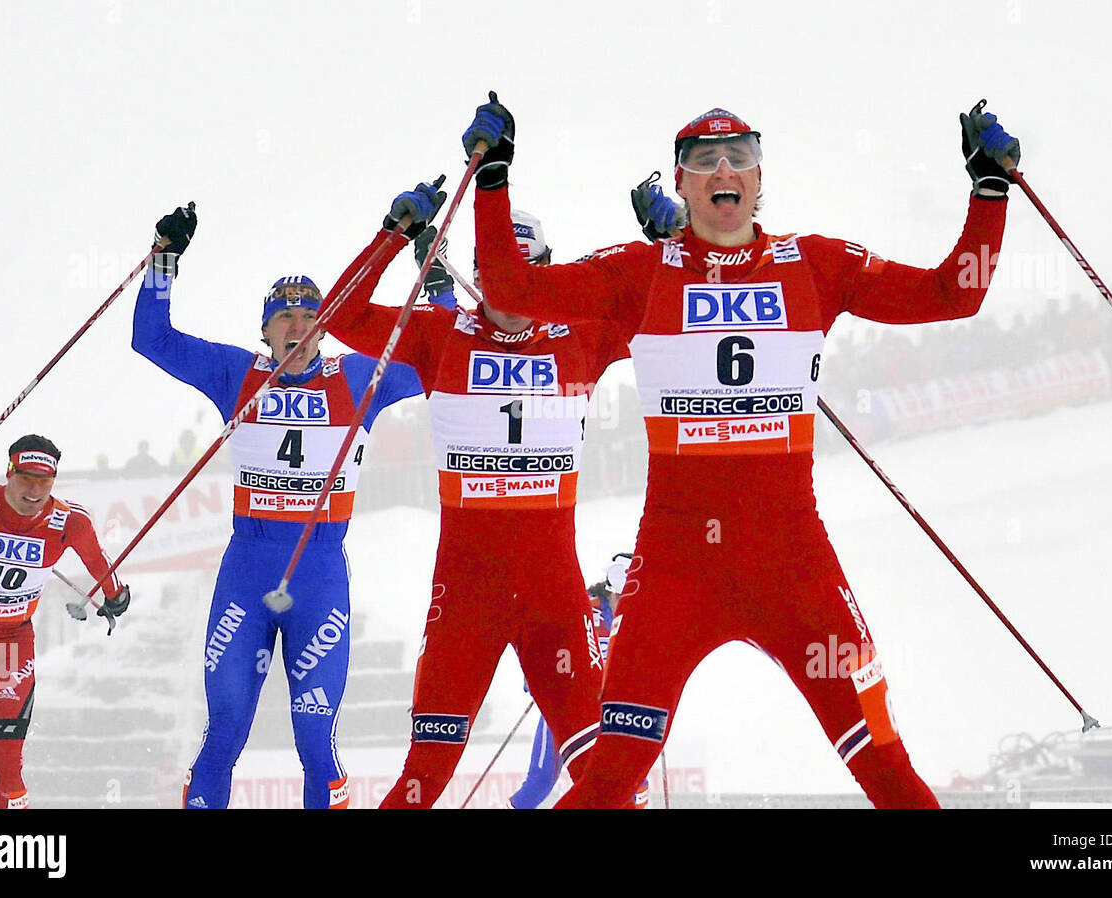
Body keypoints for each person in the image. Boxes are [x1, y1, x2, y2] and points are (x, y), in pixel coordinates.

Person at [464, 93, 1017, 808]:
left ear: (759, 179)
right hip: (674, 569)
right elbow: (511, 286)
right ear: (682, 182)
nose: (724, 167)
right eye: (703, 159)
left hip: (794, 565)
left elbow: (953, 294)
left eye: (740, 156)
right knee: (607, 781)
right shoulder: (640, 272)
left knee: (882, 760)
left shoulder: (815, 264)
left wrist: (990, 189)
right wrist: (493, 176)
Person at [322, 191, 631, 808]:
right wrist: (390, 234)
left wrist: (668, 236)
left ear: (546, 272)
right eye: (494, 279)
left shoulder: (584, 334)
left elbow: (675, 308)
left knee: (610, 779)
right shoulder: (441, 334)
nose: (510, 296)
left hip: (555, 599)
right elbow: (341, 314)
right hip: (465, 596)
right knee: (422, 778)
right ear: (477, 277)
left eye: (525, 277)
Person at [131, 204, 423, 809]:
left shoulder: (357, 377)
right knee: (225, 728)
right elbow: (149, 339)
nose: (297, 325)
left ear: (325, 327)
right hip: (248, 566)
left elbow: (440, 355)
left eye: (310, 315)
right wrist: (163, 259)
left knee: (316, 740)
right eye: (283, 316)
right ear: (264, 330)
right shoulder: (237, 372)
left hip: (318, 572)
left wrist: (433, 271)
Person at [0, 435, 129, 808]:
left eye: (44, 482)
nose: (34, 491)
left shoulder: (68, 522)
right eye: (26, 478)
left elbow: (101, 568)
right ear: (9, 472)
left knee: (10, 770)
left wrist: (116, 596)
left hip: (10, 646)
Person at [509, 554, 650, 809]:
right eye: (620, 597)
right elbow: (544, 639)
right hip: (568, 708)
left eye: (632, 599)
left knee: (634, 782)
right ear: (610, 592)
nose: (625, 604)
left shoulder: (643, 618)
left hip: (615, 715)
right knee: (540, 782)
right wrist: (536, 678)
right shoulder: (586, 608)